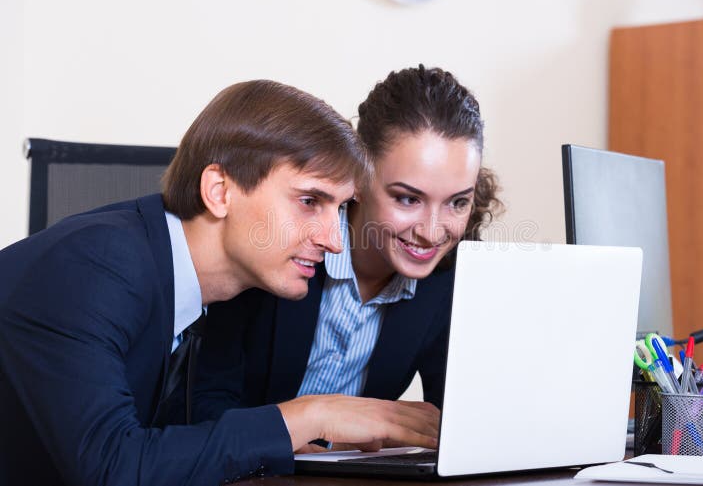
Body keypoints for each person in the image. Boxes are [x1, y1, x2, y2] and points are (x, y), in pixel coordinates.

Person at [0, 80, 439, 486]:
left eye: (339, 210)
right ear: (219, 191)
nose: (333, 240)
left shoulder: (201, 296)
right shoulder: (97, 265)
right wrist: (312, 414)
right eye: (310, 201)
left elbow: (173, 444)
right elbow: (111, 466)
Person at [193, 66, 502, 439]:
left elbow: (460, 420)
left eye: (457, 202)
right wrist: (275, 443)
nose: (432, 232)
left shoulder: (449, 278)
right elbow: (200, 402)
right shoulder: (279, 243)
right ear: (359, 178)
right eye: (407, 198)